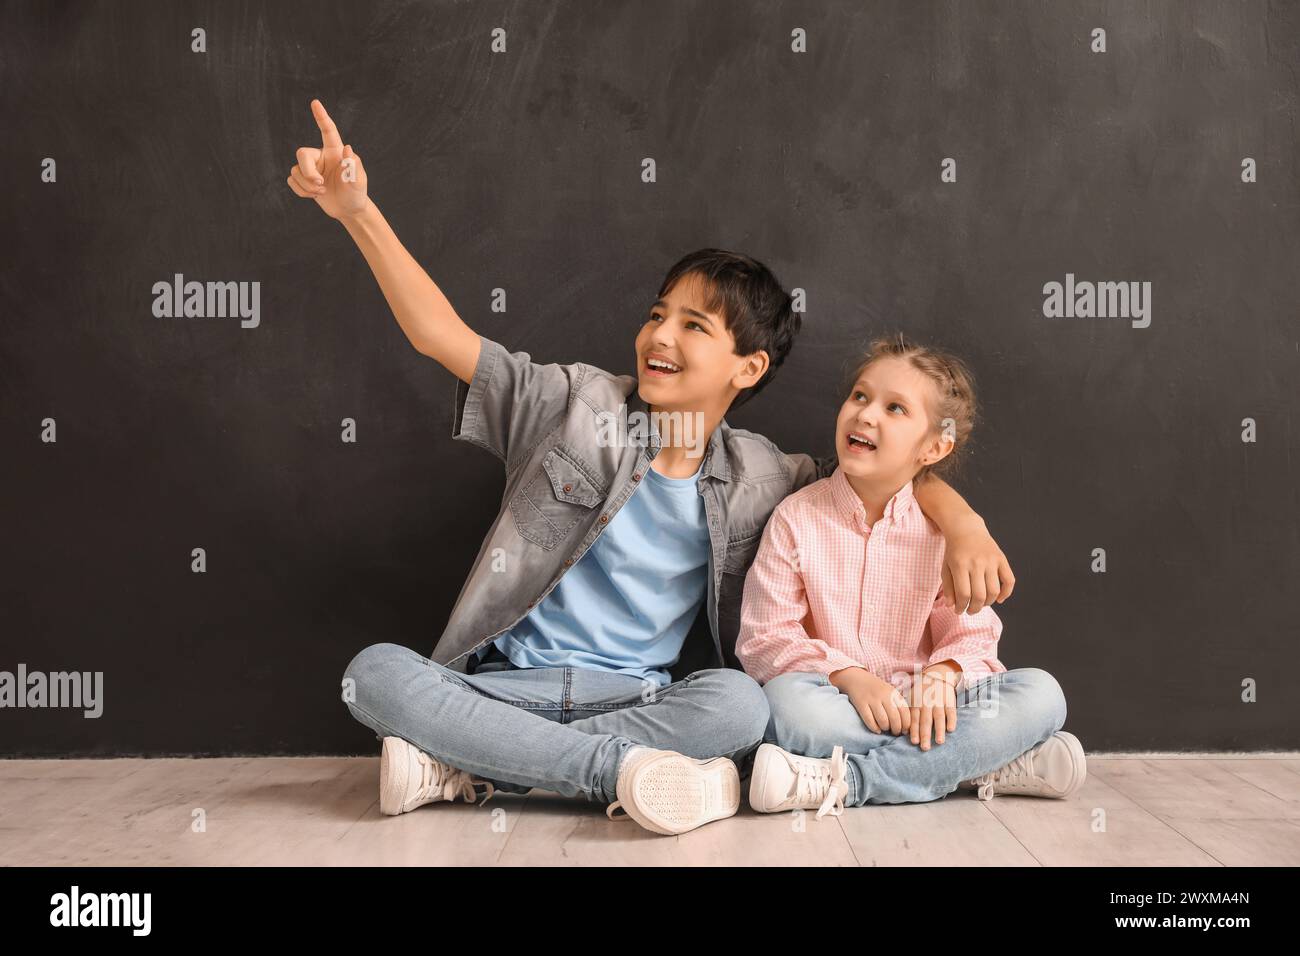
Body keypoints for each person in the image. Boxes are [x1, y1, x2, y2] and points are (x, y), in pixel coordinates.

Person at [285, 99, 1016, 835]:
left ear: (748, 366)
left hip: (641, 703)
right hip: (503, 691)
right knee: (374, 672)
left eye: (693, 326)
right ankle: (610, 773)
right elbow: (440, 334)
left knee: (738, 704)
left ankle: (469, 769)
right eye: (657, 314)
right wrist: (357, 212)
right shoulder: (568, 404)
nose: (658, 335)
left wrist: (962, 521)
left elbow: (877, 470)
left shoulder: (765, 475)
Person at [737, 334, 1085, 819]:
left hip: (932, 705)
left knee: (1042, 695)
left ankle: (850, 780)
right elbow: (764, 639)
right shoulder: (797, 518)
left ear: (934, 446)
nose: (865, 414)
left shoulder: (941, 533)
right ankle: (972, 763)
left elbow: (974, 638)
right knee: (783, 707)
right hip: (839, 702)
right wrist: (850, 677)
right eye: (860, 396)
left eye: (895, 408)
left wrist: (942, 678)